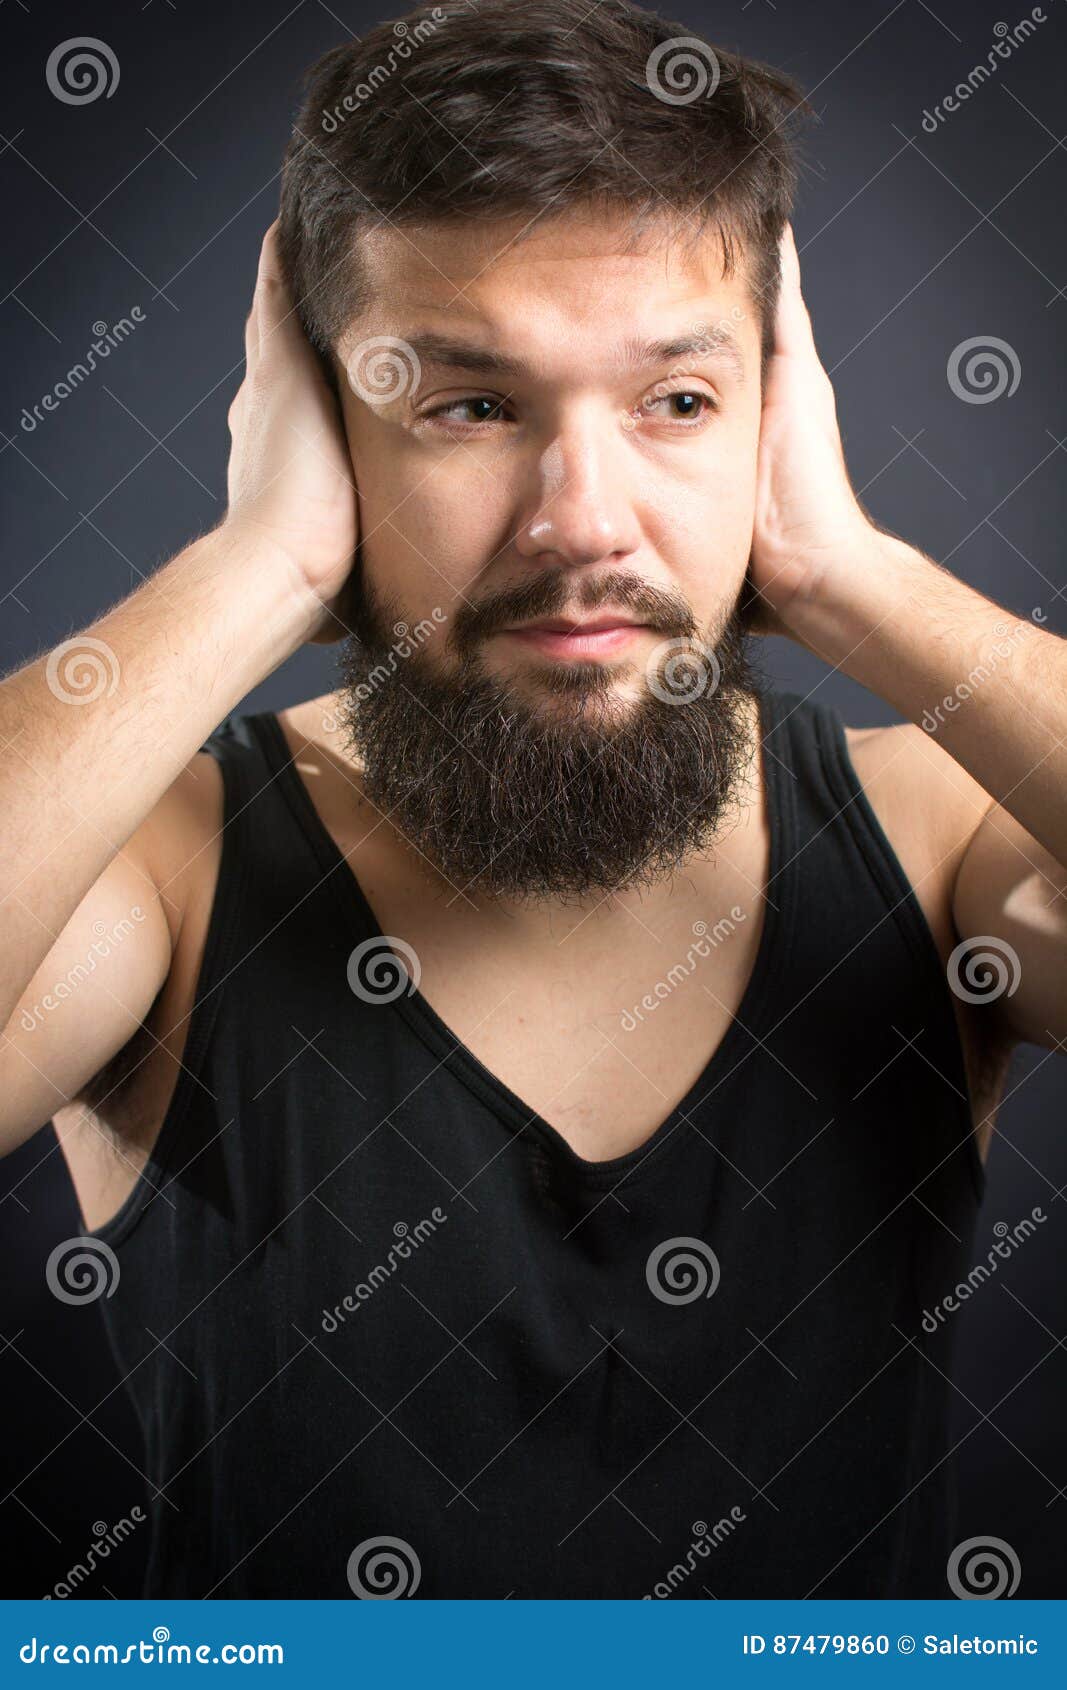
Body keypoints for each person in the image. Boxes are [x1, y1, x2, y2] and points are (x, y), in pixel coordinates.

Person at [1, 0, 1063, 1600]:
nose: (582, 521)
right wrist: (258, 563)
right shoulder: (164, 870)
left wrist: (849, 574)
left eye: (677, 400)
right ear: (322, 427)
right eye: (471, 404)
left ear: (774, 415)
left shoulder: (938, 838)